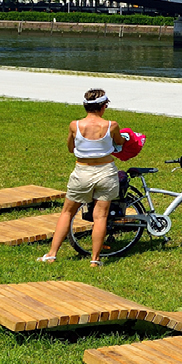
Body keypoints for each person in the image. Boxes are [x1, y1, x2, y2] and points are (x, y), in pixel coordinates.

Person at [41, 87, 129, 267]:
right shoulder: (111, 125)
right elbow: (119, 142)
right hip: (106, 171)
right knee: (101, 217)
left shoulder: (75, 125)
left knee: (67, 212)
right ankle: (95, 260)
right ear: (104, 106)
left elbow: (70, 148)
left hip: (82, 171)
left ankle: (51, 254)